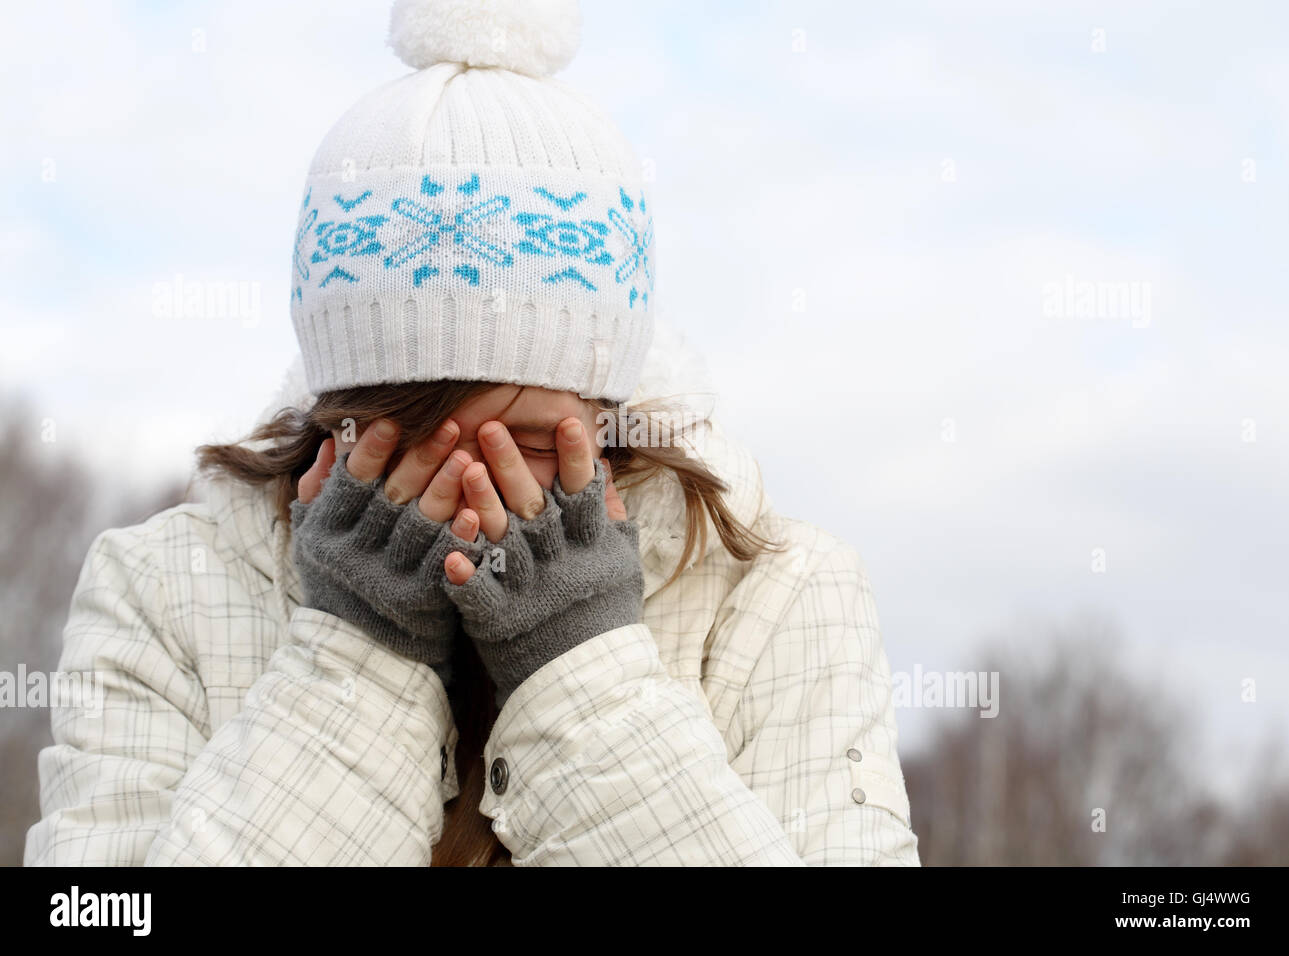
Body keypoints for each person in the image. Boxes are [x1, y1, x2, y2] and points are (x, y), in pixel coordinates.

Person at [24, 0, 920, 867]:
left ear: (607, 418)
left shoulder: (778, 595)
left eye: (525, 450)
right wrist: (354, 658)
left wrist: (582, 670)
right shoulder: (162, 593)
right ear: (333, 419)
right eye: (402, 446)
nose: (464, 496)